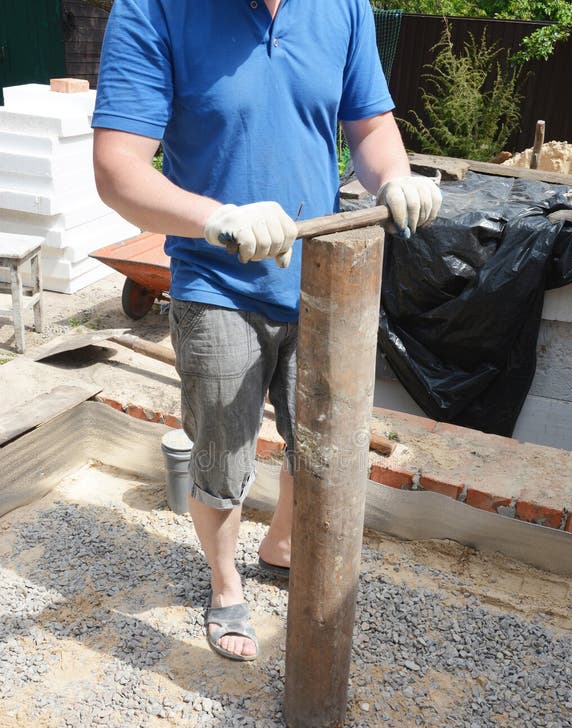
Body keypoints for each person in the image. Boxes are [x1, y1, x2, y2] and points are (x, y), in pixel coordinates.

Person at [92, 0, 441, 662]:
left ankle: (281, 547)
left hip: (324, 276)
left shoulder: (342, 8)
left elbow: (368, 126)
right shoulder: (155, 10)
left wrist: (393, 175)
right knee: (223, 451)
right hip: (217, 280)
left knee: (324, 442)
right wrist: (216, 217)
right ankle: (226, 587)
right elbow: (117, 168)